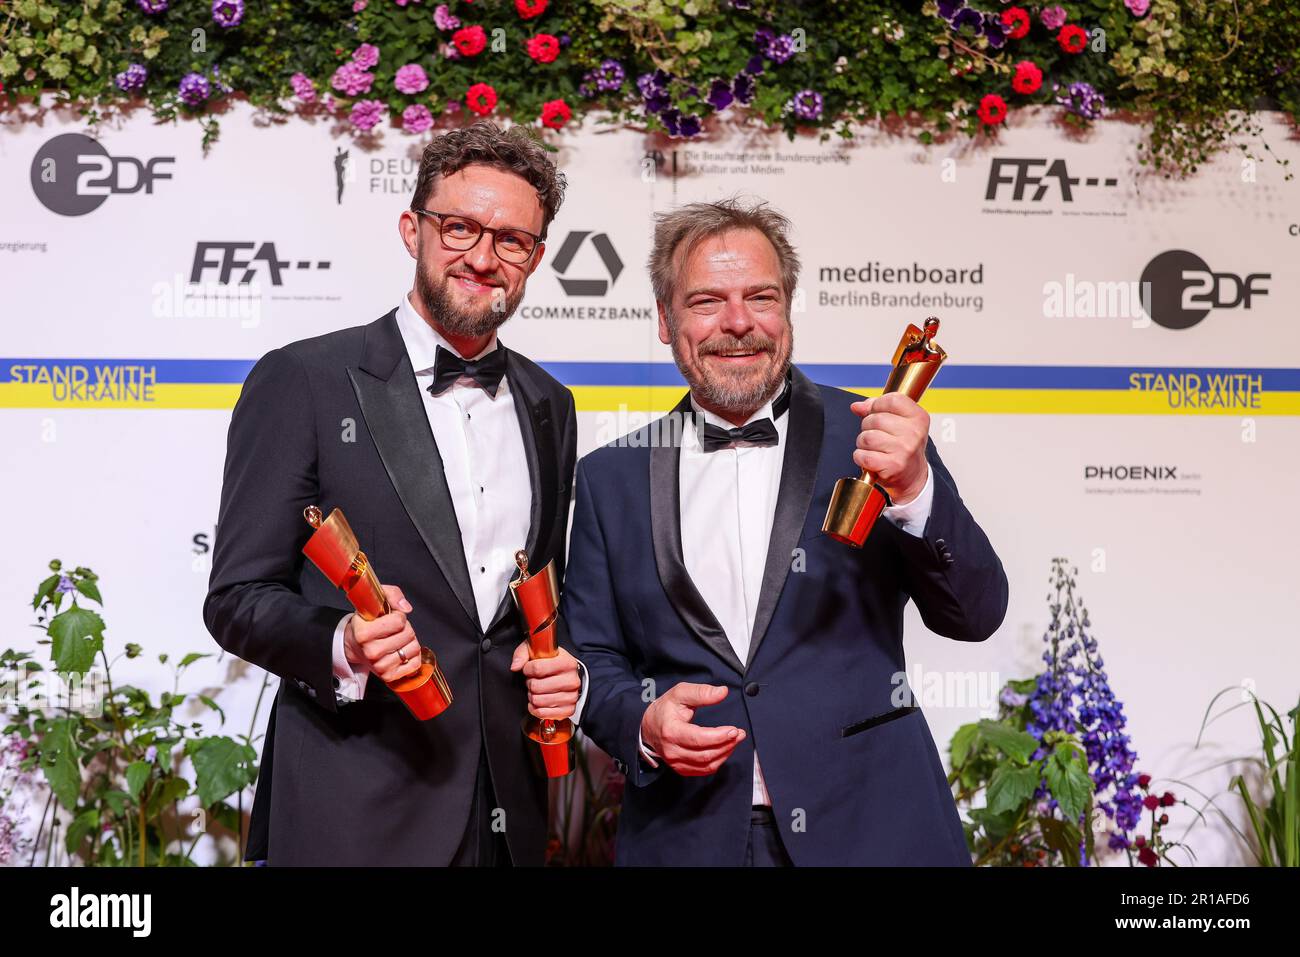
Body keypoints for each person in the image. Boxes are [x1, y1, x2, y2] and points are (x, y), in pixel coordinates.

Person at [562, 197, 1009, 865]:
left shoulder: (876, 439)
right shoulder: (608, 477)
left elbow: (975, 615)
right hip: (689, 836)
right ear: (665, 319)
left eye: (761, 297)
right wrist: (643, 722)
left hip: (873, 829)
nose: (738, 323)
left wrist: (915, 490)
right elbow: (591, 659)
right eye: (707, 300)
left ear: (789, 308)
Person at [204, 122, 584, 866]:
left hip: (508, 806)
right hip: (354, 807)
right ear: (413, 229)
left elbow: (542, 599)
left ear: (536, 257)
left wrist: (566, 667)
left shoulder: (550, 401)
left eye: (511, 240)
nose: (482, 256)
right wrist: (341, 640)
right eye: (460, 227)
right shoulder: (305, 380)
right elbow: (237, 595)